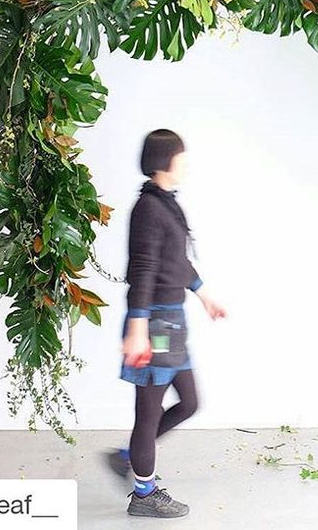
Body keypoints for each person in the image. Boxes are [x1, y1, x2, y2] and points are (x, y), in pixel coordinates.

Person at [103, 129, 227, 518]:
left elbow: (176, 260)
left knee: (189, 402)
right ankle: (144, 494)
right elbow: (143, 268)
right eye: (181, 158)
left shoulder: (165, 204)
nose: (186, 164)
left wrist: (204, 294)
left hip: (172, 322)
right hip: (154, 322)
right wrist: (137, 328)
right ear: (164, 162)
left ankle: (128, 458)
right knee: (149, 412)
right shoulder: (148, 210)